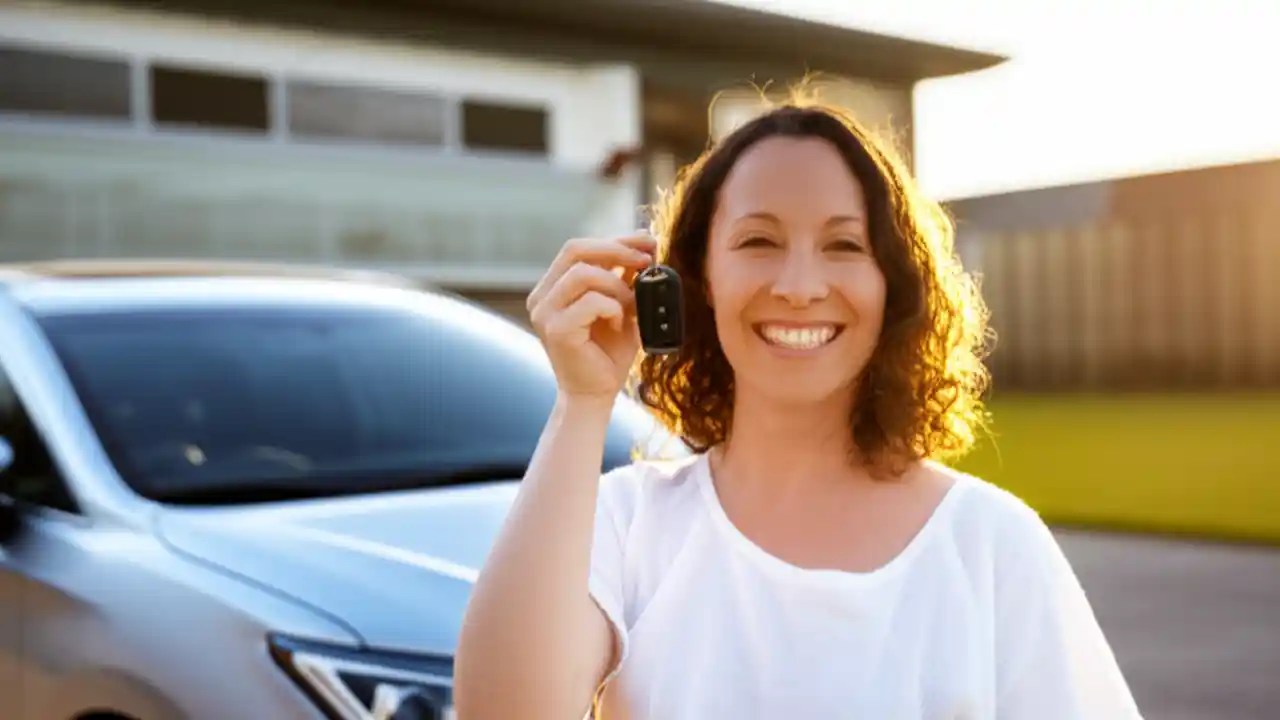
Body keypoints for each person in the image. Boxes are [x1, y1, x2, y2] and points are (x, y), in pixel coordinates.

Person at [454, 92, 1143, 719]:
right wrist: (583, 401)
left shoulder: (992, 544)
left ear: (891, 283)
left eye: (844, 245)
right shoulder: (629, 526)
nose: (800, 284)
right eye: (759, 241)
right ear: (698, 280)